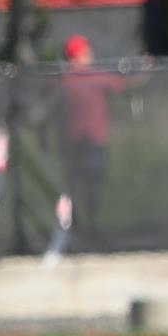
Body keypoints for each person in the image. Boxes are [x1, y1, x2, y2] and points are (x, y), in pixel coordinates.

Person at [58, 35, 129, 245]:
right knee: (84, 188)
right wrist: (145, 72)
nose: (90, 56)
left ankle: (83, 226)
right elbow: (123, 85)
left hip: (79, 142)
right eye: (85, 53)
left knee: (82, 187)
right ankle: (85, 227)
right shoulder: (88, 79)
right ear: (75, 57)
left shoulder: (65, 81)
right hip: (83, 142)